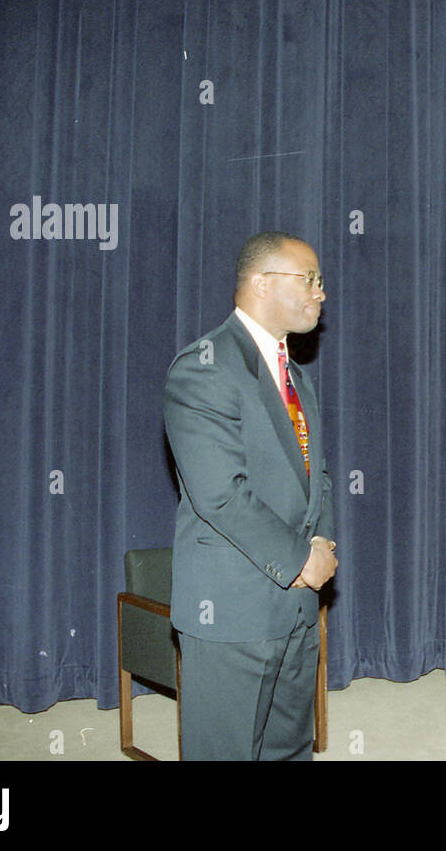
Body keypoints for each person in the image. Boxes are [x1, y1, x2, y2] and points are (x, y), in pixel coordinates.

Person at [163, 230, 338, 760]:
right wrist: (300, 560)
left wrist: (323, 541)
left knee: (289, 750)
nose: (320, 293)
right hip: (233, 611)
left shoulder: (295, 376)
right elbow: (220, 496)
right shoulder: (203, 368)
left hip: (297, 608)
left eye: (320, 280)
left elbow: (318, 477)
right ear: (261, 283)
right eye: (308, 279)